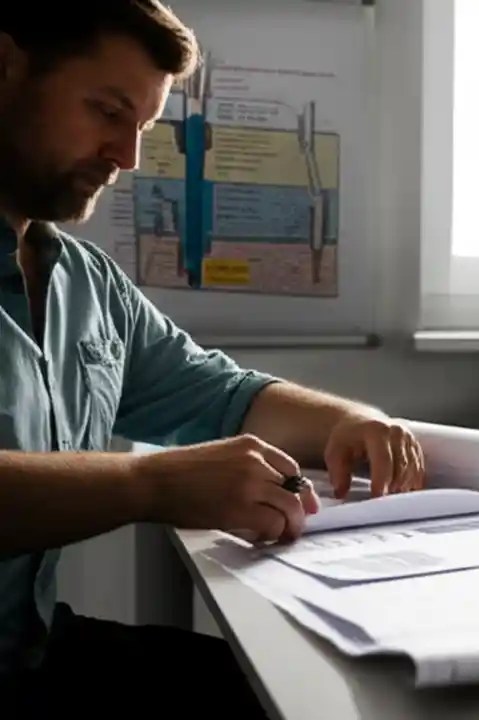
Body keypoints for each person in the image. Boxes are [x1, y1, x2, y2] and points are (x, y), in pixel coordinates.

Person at [0, 2, 427, 716]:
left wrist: (352, 420)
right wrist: (151, 484)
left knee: (309, 694)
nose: (127, 158)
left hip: (35, 651)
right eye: (107, 111)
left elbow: (221, 394)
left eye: (142, 128)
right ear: (6, 67)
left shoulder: (86, 282)